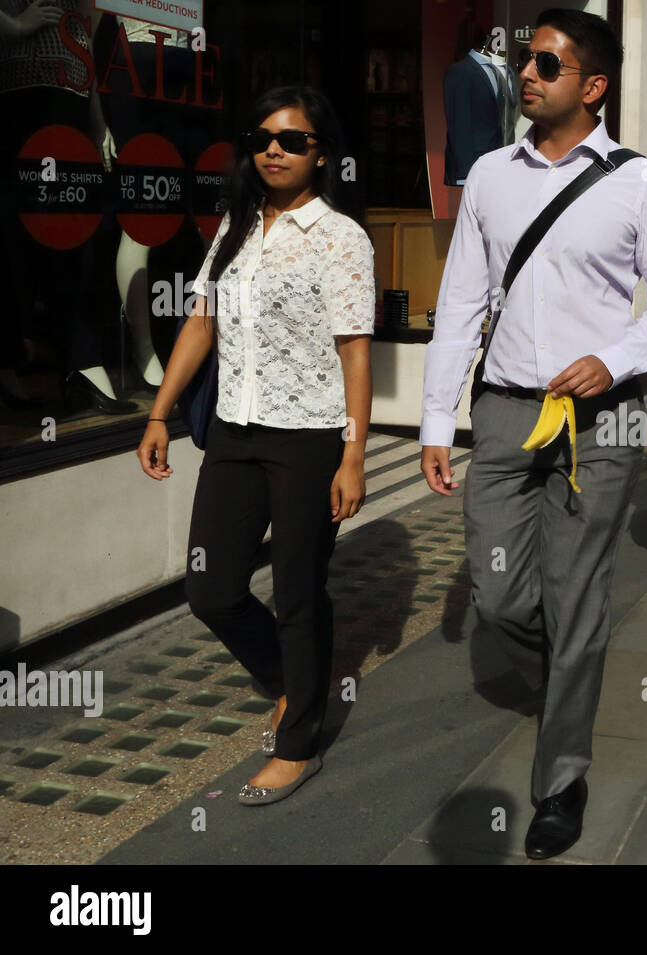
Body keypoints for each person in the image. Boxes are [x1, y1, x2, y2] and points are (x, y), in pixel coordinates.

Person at [418, 9, 647, 860]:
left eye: (545, 61)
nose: (525, 73)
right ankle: (564, 685)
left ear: (593, 85)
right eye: (523, 57)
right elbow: (462, 300)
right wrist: (437, 416)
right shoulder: (491, 176)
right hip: (504, 411)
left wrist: (613, 362)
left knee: (578, 597)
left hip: (599, 421)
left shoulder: (639, 182)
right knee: (501, 594)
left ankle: (561, 777)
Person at [136, 86, 375, 805]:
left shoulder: (341, 237)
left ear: (320, 154)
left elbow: (355, 352)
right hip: (235, 433)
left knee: (299, 590)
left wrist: (354, 452)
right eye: (264, 136)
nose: (274, 148)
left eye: (293, 140)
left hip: (307, 438)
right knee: (211, 588)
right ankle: (290, 679)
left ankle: (300, 740)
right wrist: (158, 412)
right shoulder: (235, 228)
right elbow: (200, 323)